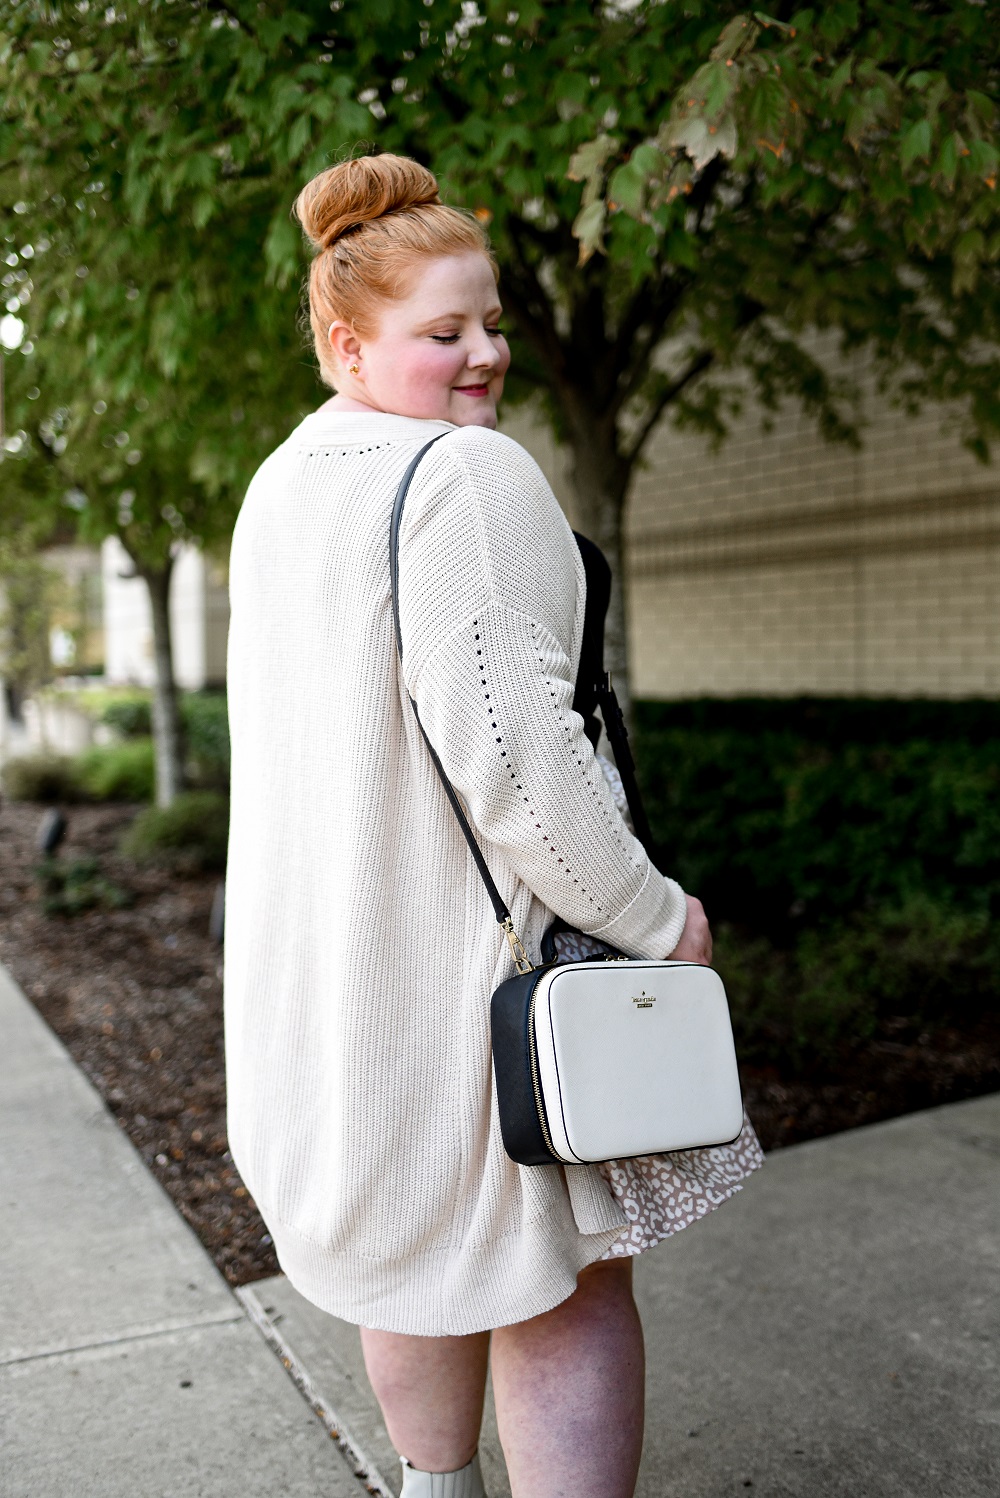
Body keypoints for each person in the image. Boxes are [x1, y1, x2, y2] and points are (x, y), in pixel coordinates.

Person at [224, 153, 763, 1498]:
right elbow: (521, 762)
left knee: (408, 1260)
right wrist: (656, 917)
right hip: (481, 980)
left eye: (492, 322)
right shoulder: (471, 476)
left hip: (333, 984)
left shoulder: (283, 485)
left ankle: (432, 1485)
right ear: (348, 342)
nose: (484, 356)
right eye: (443, 331)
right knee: (564, 1284)